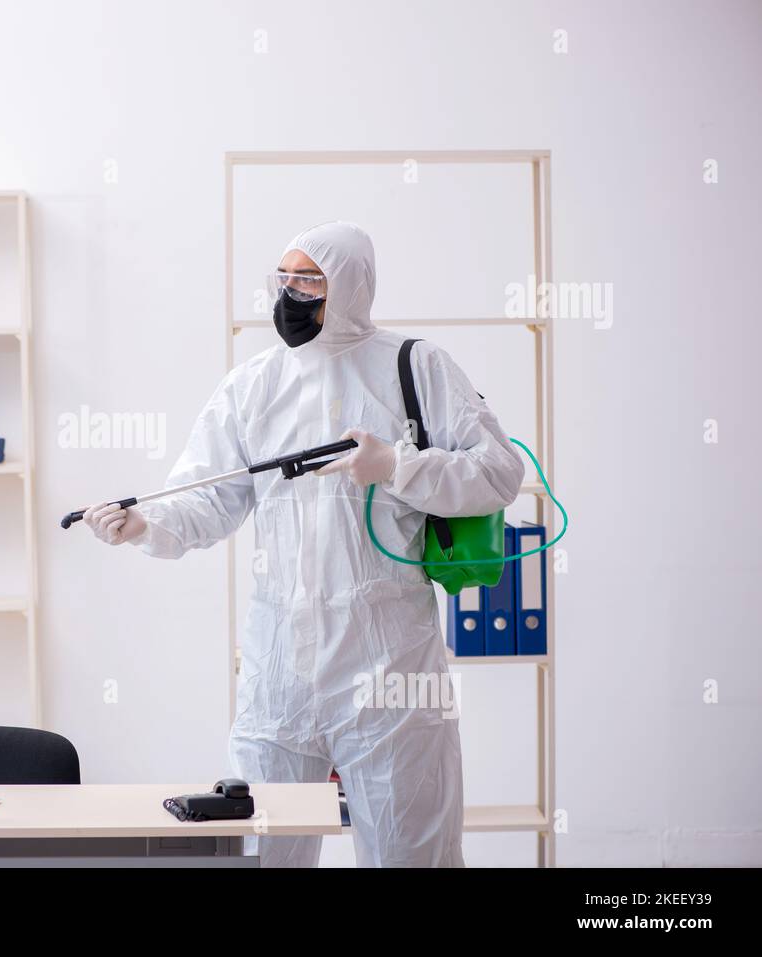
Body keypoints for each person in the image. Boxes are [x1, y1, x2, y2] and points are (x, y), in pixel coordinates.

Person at [83, 221, 524, 867]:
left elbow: (498, 474)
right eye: (283, 278)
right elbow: (209, 494)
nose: (290, 293)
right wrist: (144, 524)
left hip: (388, 667)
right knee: (267, 851)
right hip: (278, 665)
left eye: (309, 279)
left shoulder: (414, 364)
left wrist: (398, 466)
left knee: (411, 852)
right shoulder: (253, 384)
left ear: (349, 286)